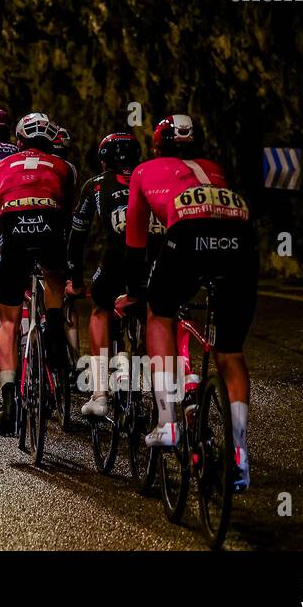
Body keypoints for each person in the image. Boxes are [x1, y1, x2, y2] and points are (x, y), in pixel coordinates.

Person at [115, 114, 257, 492]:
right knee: (230, 352)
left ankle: (167, 422)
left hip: (188, 234)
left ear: (158, 146)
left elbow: (135, 245)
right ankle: (239, 454)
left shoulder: (144, 171)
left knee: (159, 316)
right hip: (240, 238)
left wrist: (135, 292)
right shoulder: (213, 167)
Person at [0, 113, 77, 435]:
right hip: (50, 227)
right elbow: (69, 217)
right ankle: (52, 329)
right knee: (52, 275)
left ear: (19, 141)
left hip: (13, 230)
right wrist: (70, 268)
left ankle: (9, 398)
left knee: (8, 321)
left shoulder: (0, 167)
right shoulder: (64, 167)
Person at [65, 132, 158, 416]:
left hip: (117, 258)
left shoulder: (94, 185)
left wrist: (76, 281)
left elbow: (77, 237)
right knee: (154, 312)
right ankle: (152, 385)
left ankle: (100, 393)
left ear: (103, 161)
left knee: (100, 309)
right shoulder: (154, 178)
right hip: (155, 258)